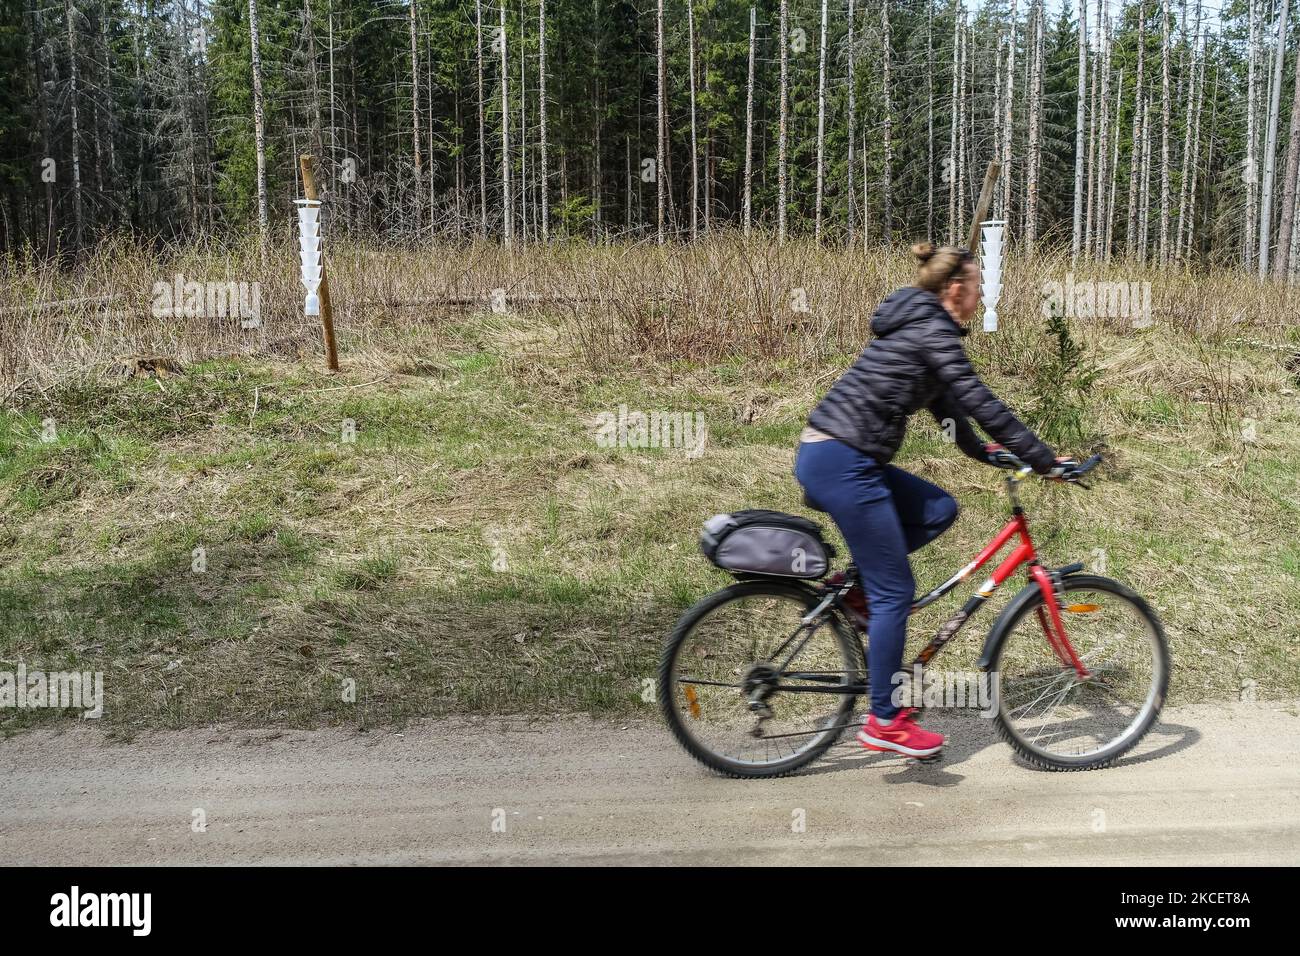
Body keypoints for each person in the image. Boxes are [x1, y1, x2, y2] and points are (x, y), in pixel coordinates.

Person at [794, 242, 1076, 758]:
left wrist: (988, 453)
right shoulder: (932, 332)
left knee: (938, 509)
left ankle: (856, 590)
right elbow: (980, 400)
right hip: (844, 462)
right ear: (955, 290)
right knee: (895, 590)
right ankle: (885, 719)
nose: (983, 295)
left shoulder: (921, 328)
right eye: (977, 286)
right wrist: (1042, 457)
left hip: (839, 456)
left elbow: (955, 415)